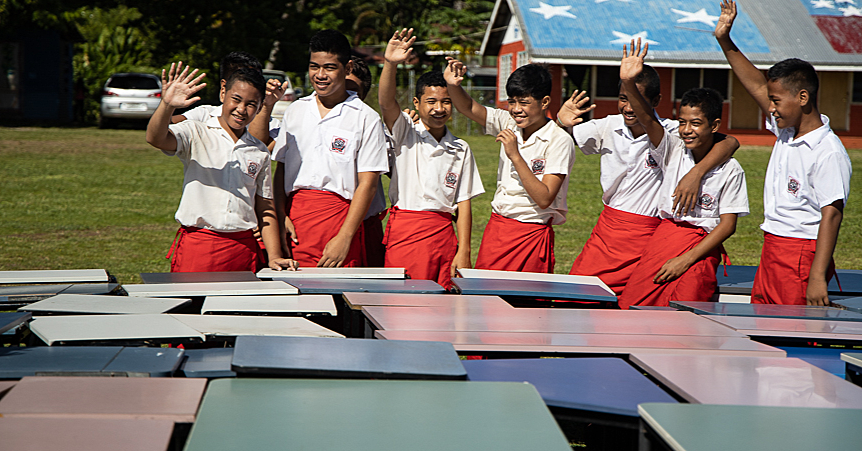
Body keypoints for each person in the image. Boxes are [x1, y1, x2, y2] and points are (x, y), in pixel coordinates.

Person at [715, 0, 851, 305]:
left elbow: (831, 214)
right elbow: (755, 87)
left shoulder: (828, 151)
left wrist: (816, 276)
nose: (770, 107)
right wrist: (725, 42)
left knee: (793, 331)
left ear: (803, 98)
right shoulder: (786, 130)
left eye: (776, 101)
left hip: (801, 254)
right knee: (763, 327)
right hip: (772, 248)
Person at [558, 69, 739, 296]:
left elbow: (730, 141)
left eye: (638, 100)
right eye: (624, 98)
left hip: (650, 232)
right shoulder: (608, 125)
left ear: (655, 101)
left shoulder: (673, 130)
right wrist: (560, 122)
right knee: (579, 293)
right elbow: (558, 137)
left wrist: (696, 173)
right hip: (609, 229)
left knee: (638, 298)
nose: (629, 107)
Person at [615, 40, 748, 309]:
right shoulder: (673, 148)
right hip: (664, 238)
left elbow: (727, 225)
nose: (687, 130)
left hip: (700, 250)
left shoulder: (731, 170)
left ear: (715, 125)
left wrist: (685, 260)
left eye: (696, 123)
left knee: (686, 312)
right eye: (683, 122)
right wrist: (628, 83)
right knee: (633, 305)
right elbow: (648, 118)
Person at [145, 62, 295, 272]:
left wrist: (274, 256)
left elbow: (265, 207)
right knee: (192, 304)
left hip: (243, 249)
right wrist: (167, 105)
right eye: (236, 99)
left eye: (251, 104)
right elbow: (155, 138)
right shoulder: (197, 132)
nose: (242, 109)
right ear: (223, 93)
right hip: (199, 246)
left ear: (261, 107)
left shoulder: (259, 151)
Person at [444, 58, 574, 273]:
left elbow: (544, 198)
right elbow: (467, 106)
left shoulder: (559, 140)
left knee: (525, 303)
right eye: (511, 102)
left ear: (544, 102)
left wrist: (515, 155)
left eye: (524, 102)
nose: (516, 109)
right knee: (486, 300)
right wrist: (453, 85)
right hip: (498, 229)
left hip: (531, 235)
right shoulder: (507, 123)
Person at [272, 30, 389, 268]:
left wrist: (345, 238)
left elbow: (368, 183)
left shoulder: (366, 118)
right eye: (314, 66)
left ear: (346, 69)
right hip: (295, 223)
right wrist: (281, 215)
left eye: (329, 67)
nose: (320, 75)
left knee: (339, 297)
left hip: (339, 223)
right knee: (296, 298)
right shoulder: (296, 110)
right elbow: (281, 169)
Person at [378, 29, 484, 288]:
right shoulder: (405, 132)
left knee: (440, 305)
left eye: (446, 102)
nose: (439, 109)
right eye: (431, 102)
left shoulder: (461, 148)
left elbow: (464, 202)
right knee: (401, 304)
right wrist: (390, 63)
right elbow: (386, 102)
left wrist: (464, 250)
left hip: (443, 236)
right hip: (406, 234)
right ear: (416, 103)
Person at [345, 56, 389, 267]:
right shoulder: (310, 117)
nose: (347, 96)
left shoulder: (371, 122)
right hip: (330, 220)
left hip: (368, 222)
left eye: (354, 92)